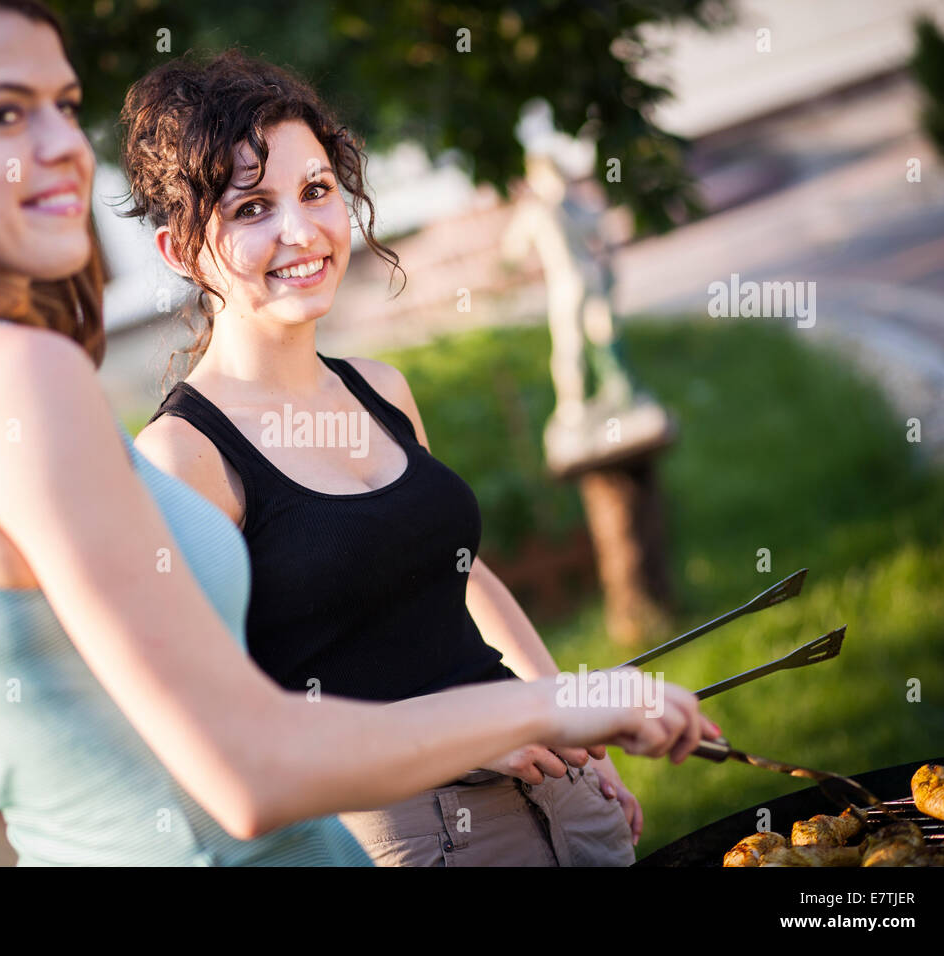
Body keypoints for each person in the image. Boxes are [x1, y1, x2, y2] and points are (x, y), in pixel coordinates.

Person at [0, 0, 717, 867]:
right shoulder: (22, 379)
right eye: (2, 114)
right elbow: (243, 774)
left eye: (63, 105)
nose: (64, 145)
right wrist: (559, 701)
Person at [128, 50, 651, 866]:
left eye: (315, 191)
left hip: (559, 782)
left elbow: (465, 576)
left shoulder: (381, 389)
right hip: (413, 833)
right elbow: (221, 727)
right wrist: (460, 742)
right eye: (253, 208)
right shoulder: (180, 458)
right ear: (181, 250)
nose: (301, 232)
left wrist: (565, 714)